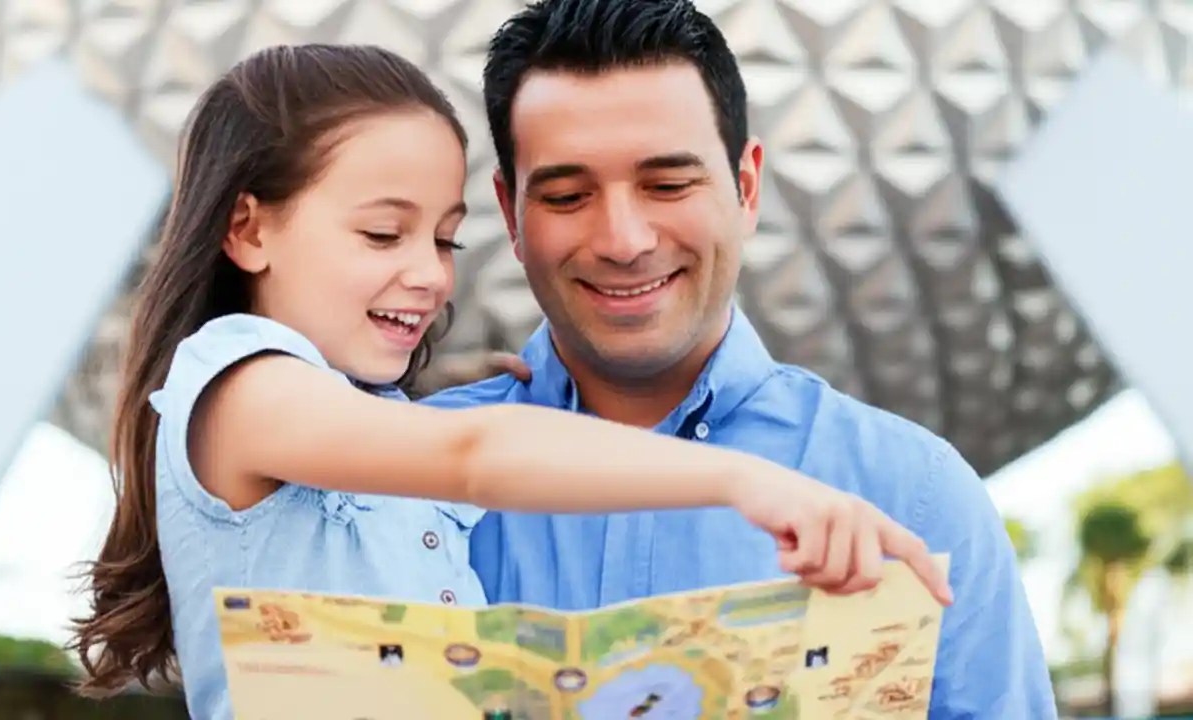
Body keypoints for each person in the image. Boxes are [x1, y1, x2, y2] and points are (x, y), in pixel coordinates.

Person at [66, 43, 949, 720]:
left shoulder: (354, 418)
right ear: (249, 229)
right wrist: (745, 479)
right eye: (384, 235)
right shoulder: (238, 387)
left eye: (445, 239)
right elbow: (470, 452)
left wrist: (423, 394)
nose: (428, 274)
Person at [420, 0, 1056, 717]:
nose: (623, 240)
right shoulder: (394, 485)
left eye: (668, 185)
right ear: (509, 215)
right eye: (568, 196)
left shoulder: (915, 493)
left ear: (746, 187)